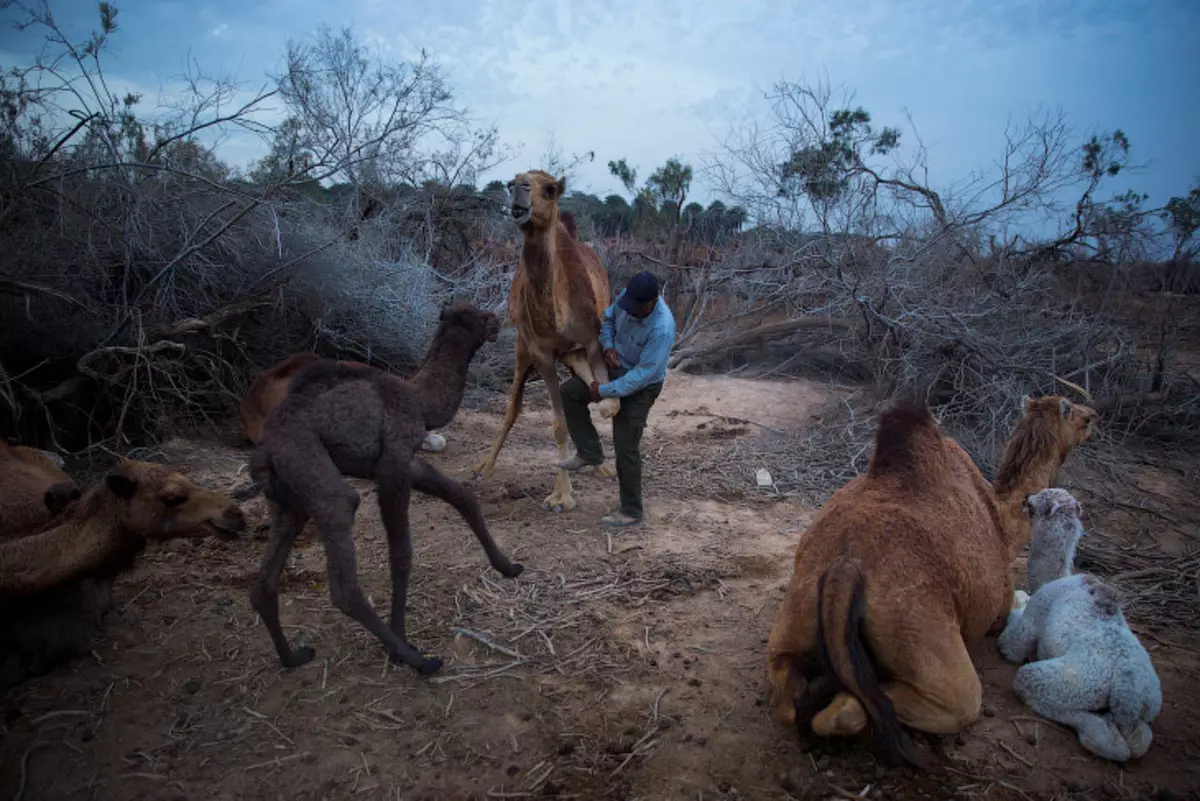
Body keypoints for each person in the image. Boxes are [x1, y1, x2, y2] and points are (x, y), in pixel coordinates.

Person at [558, 271, 676, 527]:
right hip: (614, 365)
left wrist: (604, 391)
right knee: (569, 393)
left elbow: (642, 376)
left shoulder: (662, 329)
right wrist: (609, 345)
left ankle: (631, 510)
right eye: (629, 306)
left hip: (641, 385)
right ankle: (589, 452)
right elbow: (609, 319)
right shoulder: (628, 298)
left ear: (652, 303)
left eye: (636, 309)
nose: (630, 311)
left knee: (625, 445)